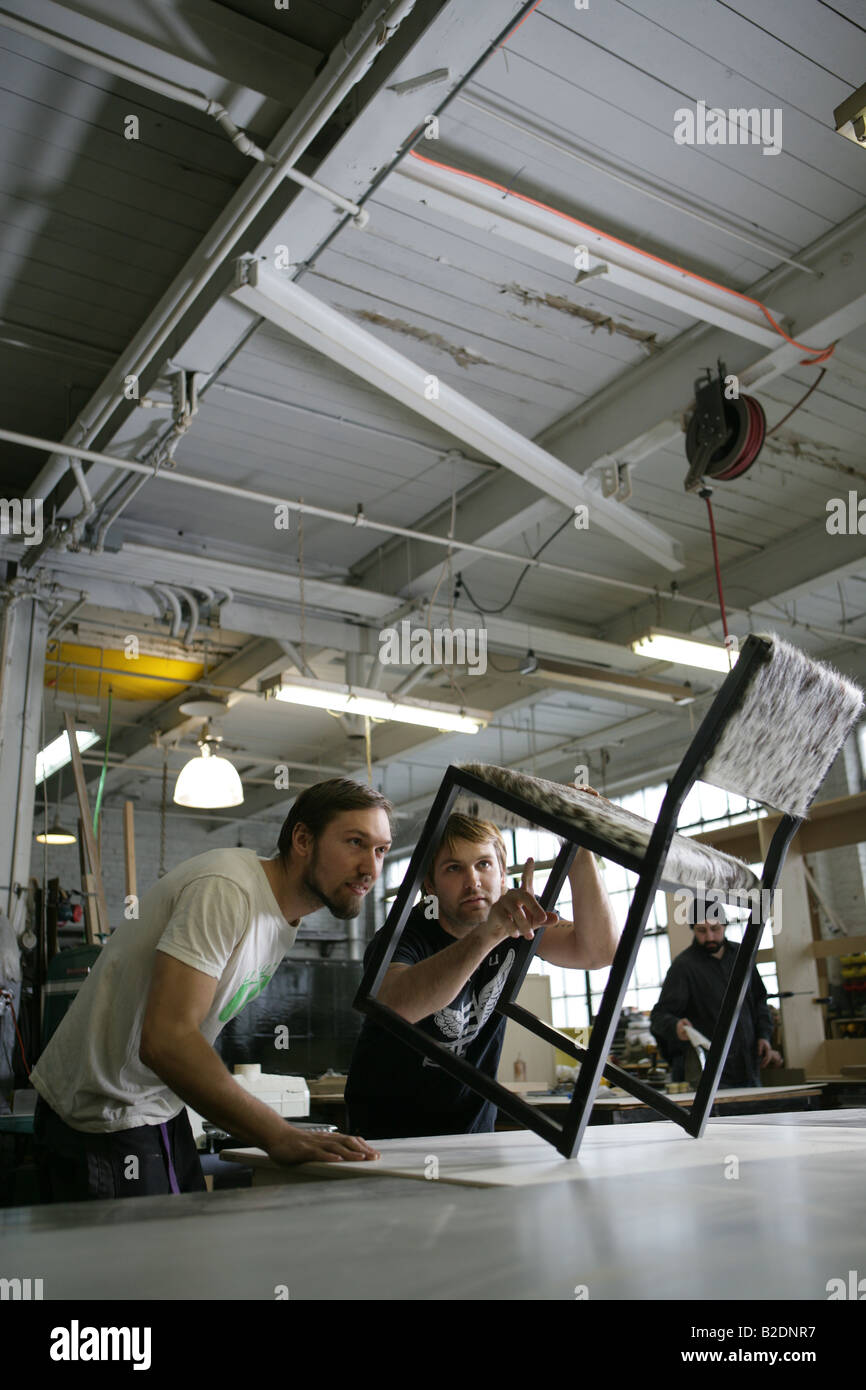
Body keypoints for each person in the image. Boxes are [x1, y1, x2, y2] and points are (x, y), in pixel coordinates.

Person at [31, 779, 392, 1201]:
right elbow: (167, 1040)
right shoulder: (228, 890)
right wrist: (278, 1134)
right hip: (104, 1116)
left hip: (155, 1108)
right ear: (302, 839)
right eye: (355, 842)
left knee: (184, 1255)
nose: (371, 867)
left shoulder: (281, 917)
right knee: (136, 1266)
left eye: (382, 850)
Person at [345, 809, 619, 1138]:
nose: (472, 880)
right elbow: (395, 1007)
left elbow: (599, 951)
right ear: (430, 885)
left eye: (484, 865)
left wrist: (578, 850)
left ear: (503, 876)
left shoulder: (513, 924)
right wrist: (488, 934)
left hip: (473, 1133)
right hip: (387, 1136)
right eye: (454, 868)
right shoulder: (404, 934)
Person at [650, 902, 782, 1088]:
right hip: (709, 1073)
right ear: (693, 929)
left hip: (748, 1065)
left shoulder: (742, 956)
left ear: (725, 925)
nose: (710, 936)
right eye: (702, 930)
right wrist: (675, 1026)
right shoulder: (684, 967)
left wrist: (764, 1036)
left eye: (715, 928)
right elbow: (659, 1016)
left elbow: (759, 1000)